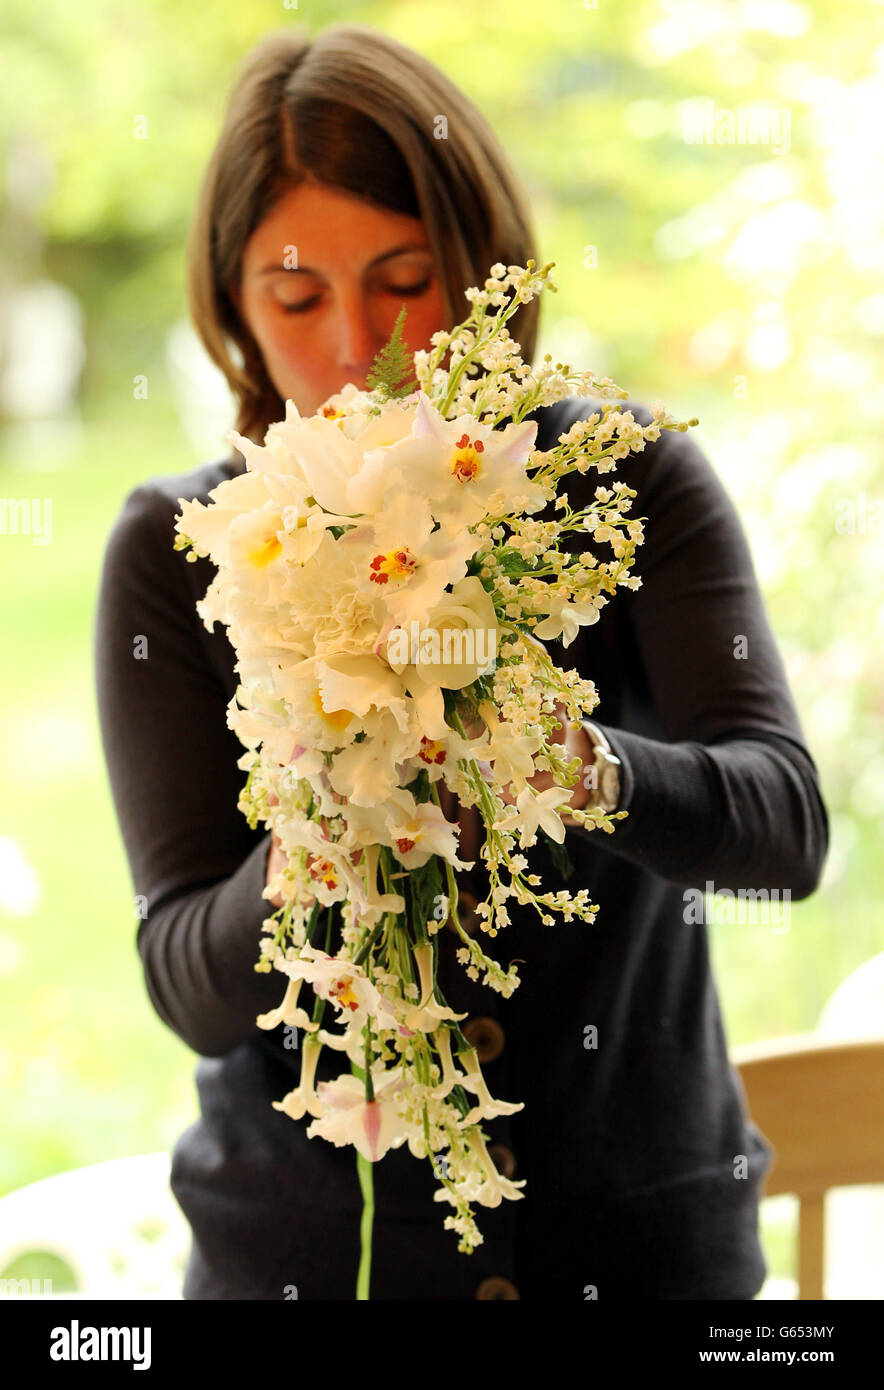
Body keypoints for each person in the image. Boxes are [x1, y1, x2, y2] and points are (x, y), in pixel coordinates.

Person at [94, 24, 829, 1301]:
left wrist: (578, 765)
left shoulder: (628, 479)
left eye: (402, 277)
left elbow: (785, 828)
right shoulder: (182, 550)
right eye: (296, 295)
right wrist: (309, 838)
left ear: (481, 267)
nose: (353, 346)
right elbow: (188, 986)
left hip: (635, 1257)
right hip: (308, 1269)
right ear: (234, 310)